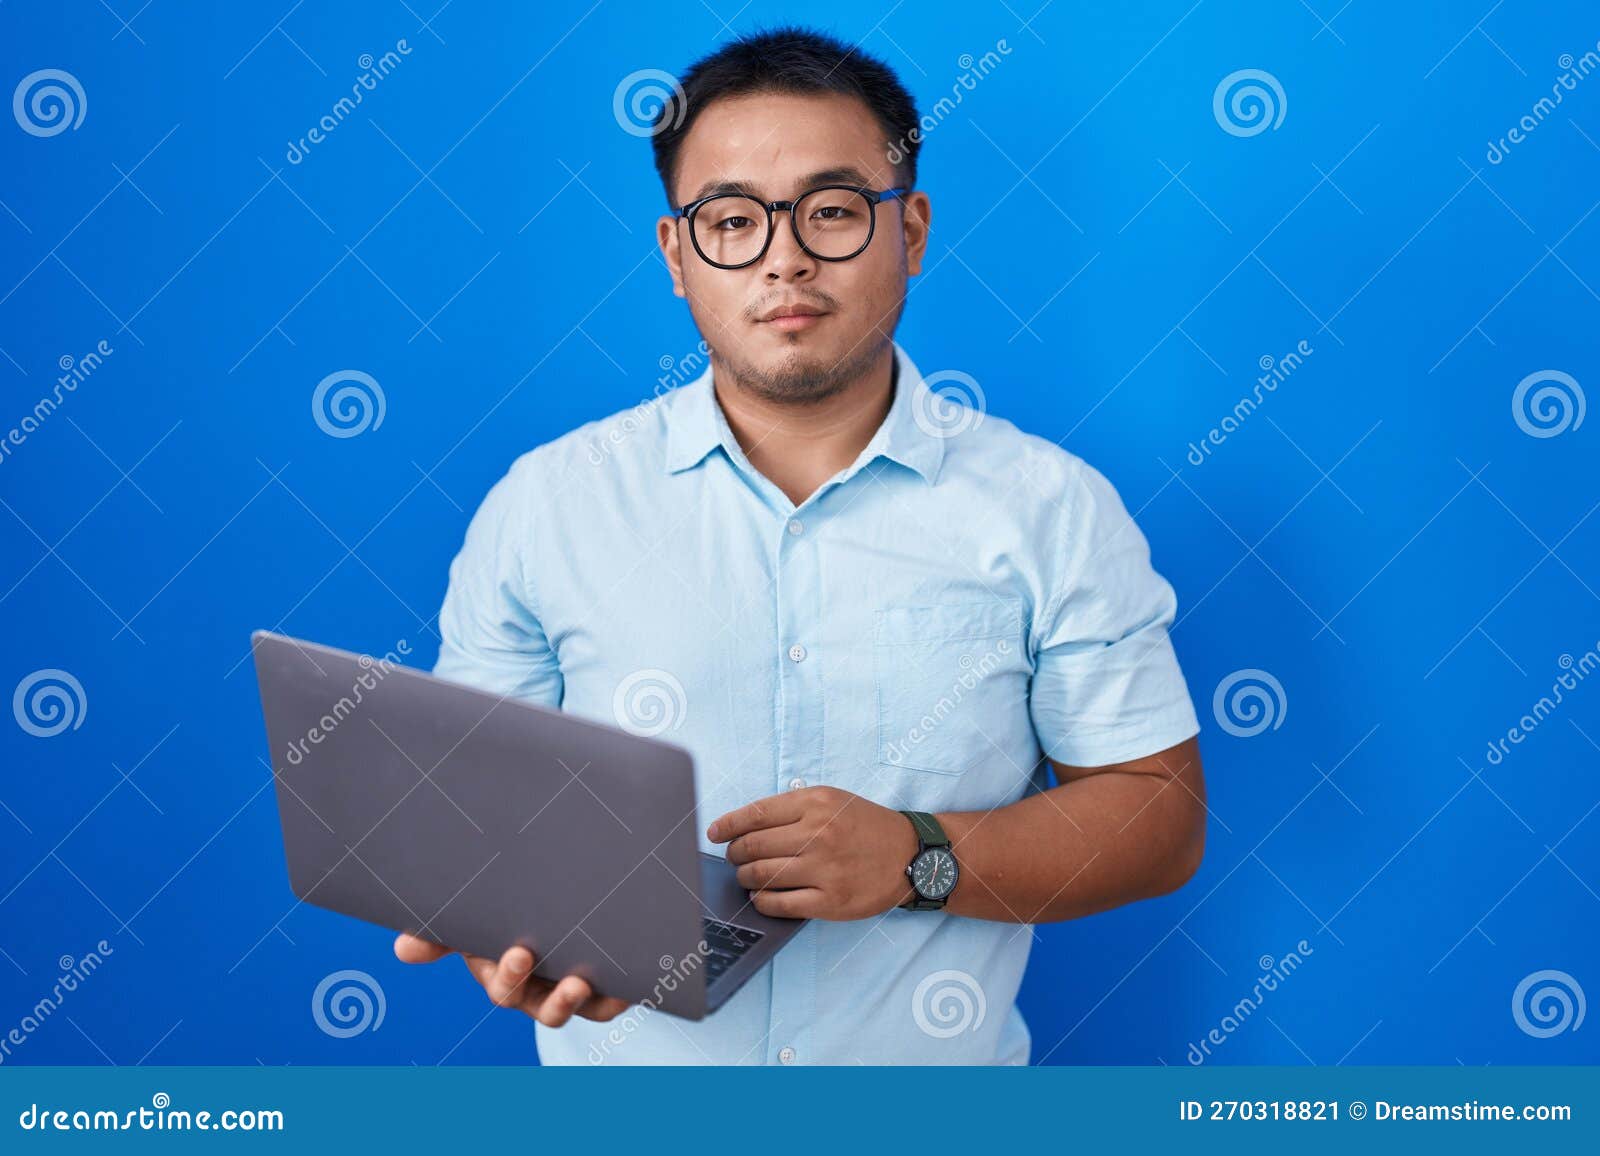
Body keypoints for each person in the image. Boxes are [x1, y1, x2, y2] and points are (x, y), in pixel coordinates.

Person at [395, 25, 1205, 1065]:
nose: (783, 257)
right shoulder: (547, 504)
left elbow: (1156, 815)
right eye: (730, 220)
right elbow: (482, 813)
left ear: (909, 231)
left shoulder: (1049, 507)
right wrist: (508, 932)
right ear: (677, 255)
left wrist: (921, 856)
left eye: (831, 211)